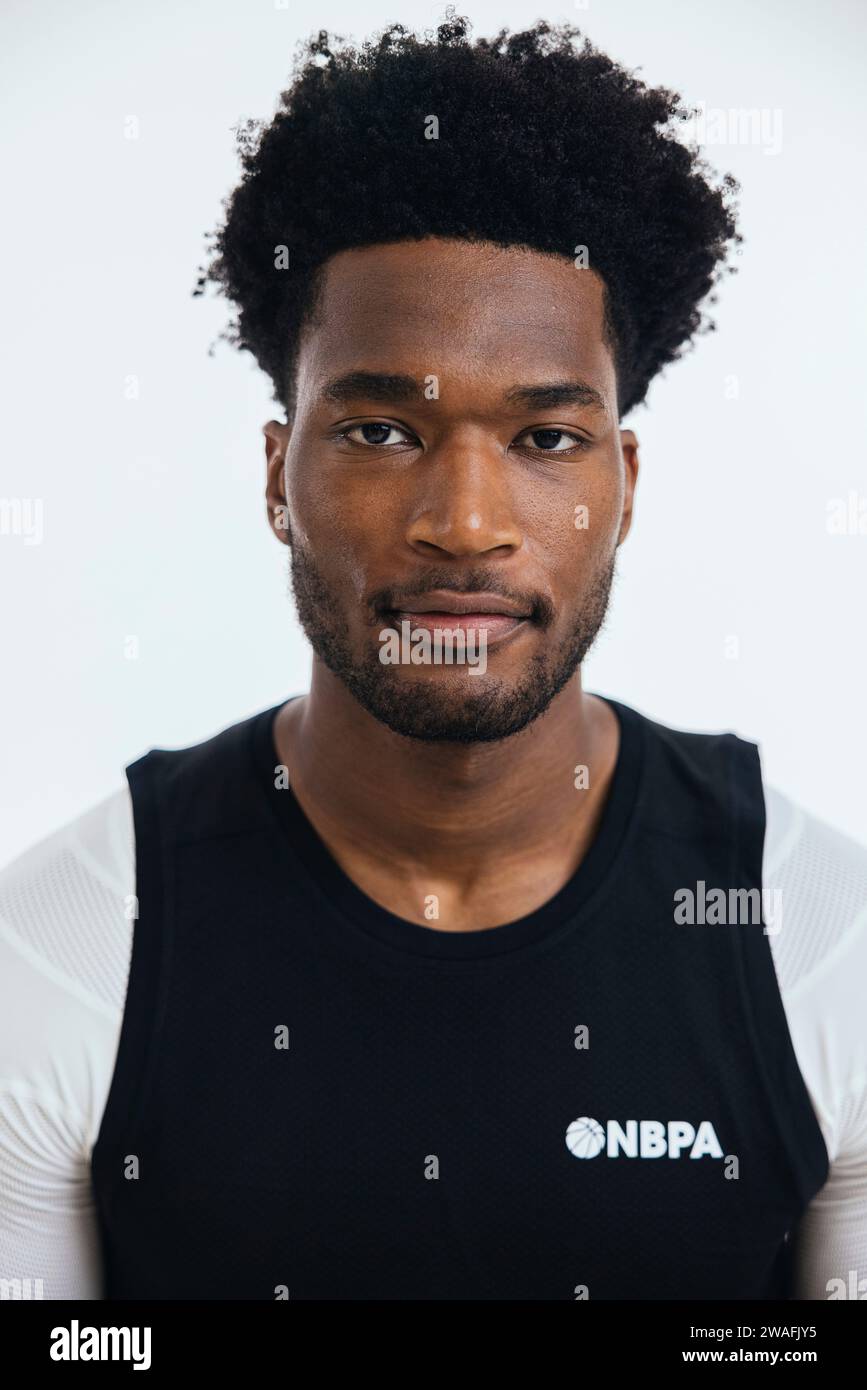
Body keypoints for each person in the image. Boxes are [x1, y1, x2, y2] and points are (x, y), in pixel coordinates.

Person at [1, 17, 865, 1301]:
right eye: (382, 428)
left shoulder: (817, 942)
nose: (464, 522)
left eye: (548, 439)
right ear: (276, 477)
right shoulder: (70, 946)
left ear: (624, 486)